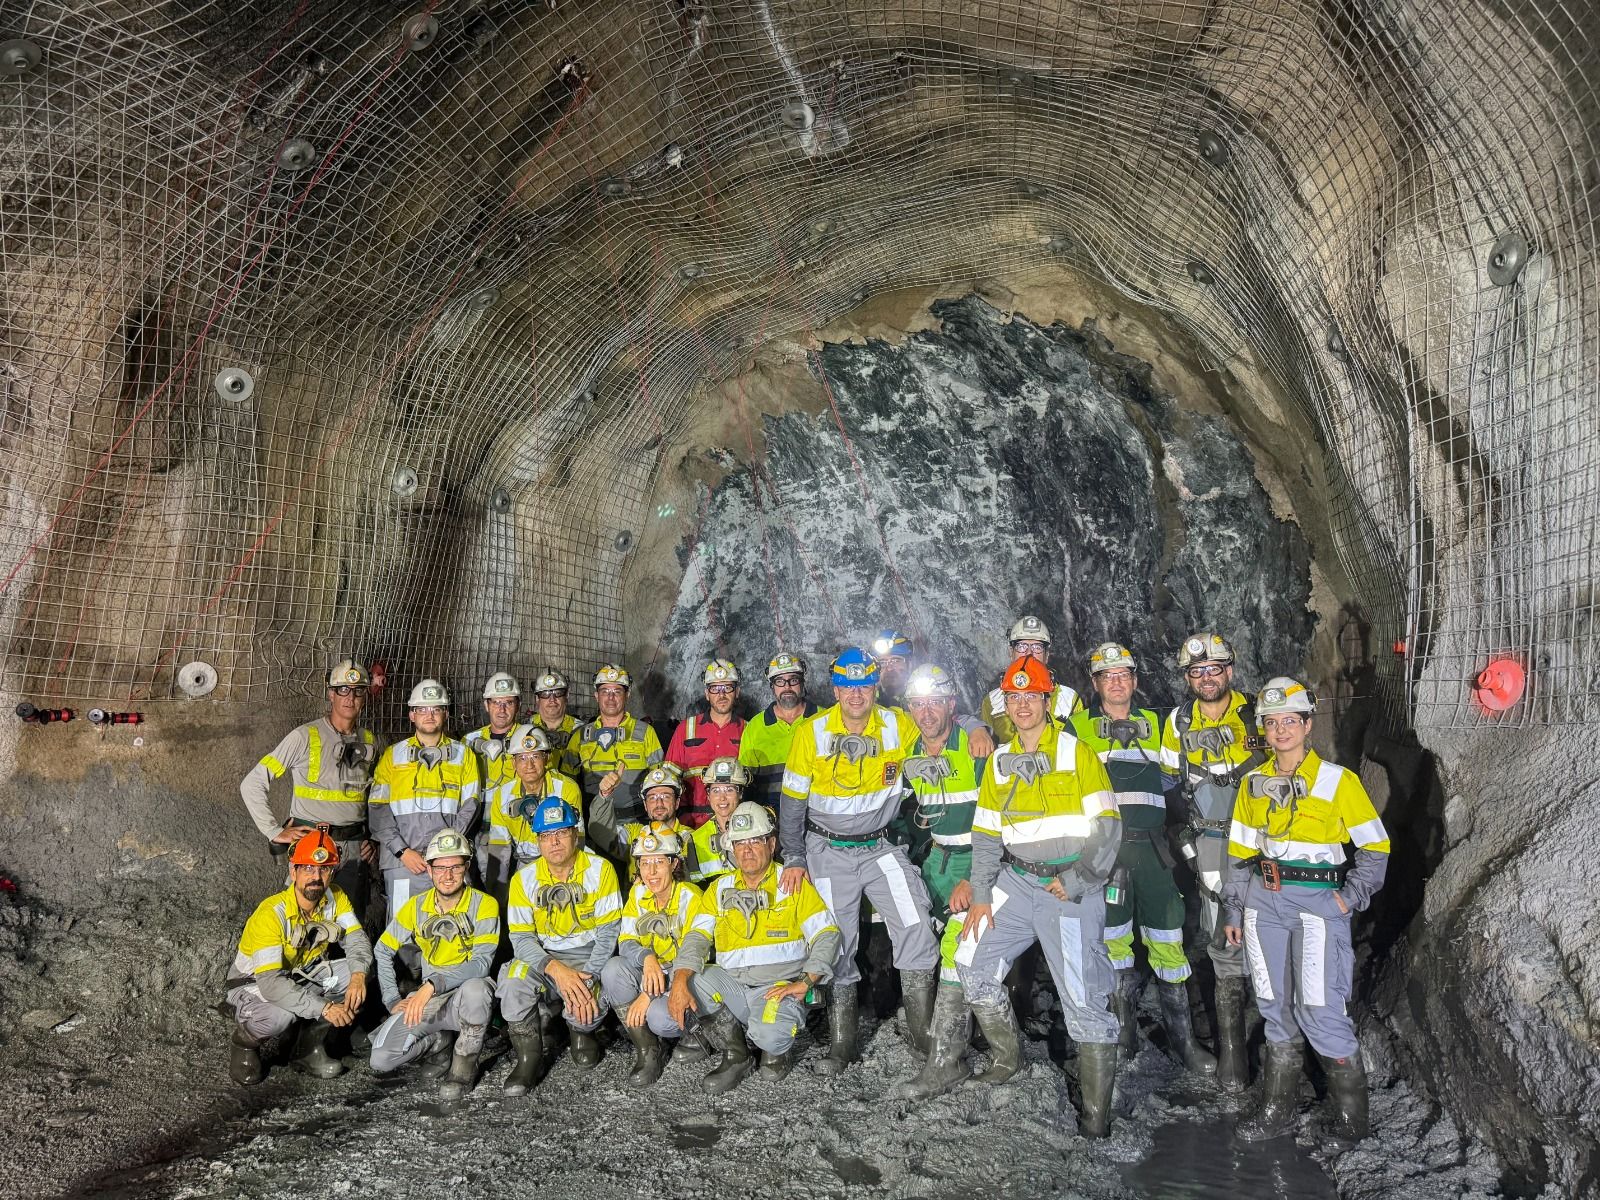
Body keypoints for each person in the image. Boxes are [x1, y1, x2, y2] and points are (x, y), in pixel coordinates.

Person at [955, 656, 1122, 1137]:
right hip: (1016, 881)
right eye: (1015, 698)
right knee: (971, 961)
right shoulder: (999, 762)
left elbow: (1109, 824)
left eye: (1032, 696)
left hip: (1065, 885)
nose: (1023, 705)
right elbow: (986, 834)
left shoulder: (1076, 753)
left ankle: (1095, 1121)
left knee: (1083, 1001)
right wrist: (982, 894)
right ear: (1005, 705)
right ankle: (1009, 1058)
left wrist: (1080, 878)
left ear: (1047, 701)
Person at [1224, 677, 1389, 1145]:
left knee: (1319, 1007)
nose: (1281, 730)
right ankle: (1277, 1110)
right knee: (1274, 1006)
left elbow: (1375, 847)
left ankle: (1352, 1124)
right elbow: (1239, 853)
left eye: (1290, 721)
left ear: (1307, 725)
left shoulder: (1338, 782)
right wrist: (1234, 910)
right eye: (1272, 723)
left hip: (1318, 903)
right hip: (1263, 901)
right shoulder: (1252, 784)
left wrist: (1349, 897)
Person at [779, 647, 940, 1074]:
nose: (856, 695)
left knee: (916, 922)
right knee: (836, 940)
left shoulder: (897, 724)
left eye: (864, 686)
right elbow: (792, 802)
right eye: (847, 687)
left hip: (879, 846)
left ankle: (923, 1034)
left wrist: (976, 728)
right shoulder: (811, 733)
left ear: (875, 687)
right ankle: (843, 1044)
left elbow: (937, 725)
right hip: (827, 849)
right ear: (835, 690)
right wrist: (793, 856)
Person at [1072, 642, 1215, 1074]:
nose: (1116, 682)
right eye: (1107, 676)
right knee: (1112, 941)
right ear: (1096, 683)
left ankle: (1184, 1042)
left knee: (1169, 935)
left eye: (1124, 675)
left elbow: (1176, 779)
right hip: (1106, 851)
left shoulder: (1159, 724)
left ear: (1134, 680)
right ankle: (1124, 1035)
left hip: (1153, 849)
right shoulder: (1075, 728)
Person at [668, 802, 841, 1092]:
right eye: (740, 843)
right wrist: (679, 979)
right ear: (731, 849)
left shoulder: (791, 883)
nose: (747, 850)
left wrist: (806, 980)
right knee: (693, 979)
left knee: (770, 1038)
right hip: (734, 986)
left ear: (771, 844)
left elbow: (827, 934)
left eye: (755, 841)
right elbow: (696, 938)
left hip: (776, 989)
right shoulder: (719, 889)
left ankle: (773, 1047)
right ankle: (737, 1055)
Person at [1160, 631, 1268, 1090]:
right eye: (1197, 671)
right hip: (1209, 841)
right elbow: (1169, 782)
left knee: (1270, 930)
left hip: (1259, 840)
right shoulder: (1178, 722)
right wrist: (1182, 835)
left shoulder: (1256, 713)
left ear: (1230, 670)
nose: (1207, 678)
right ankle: (1233, 1054)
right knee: (1223, 938)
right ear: (1188, 678)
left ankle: (1277, 1040)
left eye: (1215, 669)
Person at [896, 664, 986, 1100]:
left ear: (951, 704)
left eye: (935, 702)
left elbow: (1000, 819)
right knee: (919, 938)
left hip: (975, 856)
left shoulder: (974, 745)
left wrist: (974, 878)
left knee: (957, 949)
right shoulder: (910, 749)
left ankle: (946, 1061)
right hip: (937, 857)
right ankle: (934, 1039)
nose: (927, 712)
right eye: (918, 704)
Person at [495, 798, 622, 1094]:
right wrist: (555, 969)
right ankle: (529, 1058)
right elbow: (521, 939)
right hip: (545, 959)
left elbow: (609, 933)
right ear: (537, 840)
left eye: (561, 832)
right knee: (513, 981)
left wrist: (588, 978)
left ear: (575, 833)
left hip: (589, 958)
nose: (554, 842)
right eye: (546, 835)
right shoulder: (523, 879)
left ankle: (581, 1033)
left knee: (585, 1004)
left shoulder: (600, 870)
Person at [225, 827, 371, 1085]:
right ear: (293, 872)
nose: (316, 877)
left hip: (303, 974)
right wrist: (325, 1008)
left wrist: (359, 976)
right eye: (308, 869)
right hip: (254, 984)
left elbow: (356, 939)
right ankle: (244, 1043)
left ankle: (306, 1048)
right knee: (280, 1015)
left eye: (324, 870)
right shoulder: (272, 913)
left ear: (332, 872)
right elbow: (271, 983)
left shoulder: (335, 896)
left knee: (359, 973)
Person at [369, 830, 499, 1101]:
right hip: (433, 999)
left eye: (455, 867)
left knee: (477, 989)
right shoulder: (416, 906)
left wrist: (431, 985)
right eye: (440, 868)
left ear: (466, 867)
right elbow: (382, 950)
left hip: (463, 997)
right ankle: (439, 1043)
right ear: (429, 870)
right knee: (381, 1058)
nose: (447, 875)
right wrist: (392, 999)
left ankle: (463, 1068)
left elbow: (481, 964)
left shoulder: (484, 904)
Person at [239, 659, 379, 906]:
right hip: (312, 847)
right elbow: (252, 783)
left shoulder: (370, 741)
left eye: (358, 691)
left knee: (350, 920)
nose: (350, 697)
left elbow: (376, 798)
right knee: (305, 918)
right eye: (343, 690)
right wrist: (274, 831)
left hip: (354, 851)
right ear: (331, 694)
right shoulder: (304, 736)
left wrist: (373, 839)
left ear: (365, 696)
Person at [369, 679, 482, 925]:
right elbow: (377, 808)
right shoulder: (392, 756)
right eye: (422, 709)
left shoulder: (464, 755)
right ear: (412, 715)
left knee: (454, 925)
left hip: (448, 863)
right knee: (402, 928)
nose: (429, 715)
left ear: (446, 714)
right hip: (403, 863)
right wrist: (402, 851)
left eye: (436, 709)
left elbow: (471, 805)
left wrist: (446, 851)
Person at [599, 829, 703, 1087]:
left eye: (659, 861)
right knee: (613, 969)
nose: (652, 871)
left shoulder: (691, 897)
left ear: (674, 863)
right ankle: (648, 1049)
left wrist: (647, 995)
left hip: (683, 978)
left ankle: (697, 1033)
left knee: (659, 1017)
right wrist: (647, 958)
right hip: (653, 971)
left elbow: (691, 959)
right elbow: (626, 941)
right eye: (645, 863)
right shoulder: (637, 895)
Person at [566, 664, 663, 857]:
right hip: (594, 825)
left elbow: (659, 781)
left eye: (617, 691)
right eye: (605, 691)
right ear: (596, 695)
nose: (610, 698)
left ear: (627, 695)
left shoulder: (646, 733)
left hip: (637, 824)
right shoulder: (580, 736)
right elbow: (567, 785)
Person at [487, 725, 585, 872]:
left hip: (561, 862)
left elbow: (578, 839)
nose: (529, 765)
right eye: (522, 758)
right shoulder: (502, 795)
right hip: (523, 865)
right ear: (513, 763)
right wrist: (497, 885)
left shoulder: (566, 789)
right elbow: (498, 847)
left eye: (535, 757)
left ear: (546, 758)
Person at [666, 659, 746, 828]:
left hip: (735, 823)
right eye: (715, 688)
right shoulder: (685, 729)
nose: (721, 695)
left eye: (727, 687)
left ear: (737, 692)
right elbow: (668, 779)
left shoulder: (748, 730)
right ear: (707, 693)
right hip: (691, 824)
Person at [464, 671, 523, 885]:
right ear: (486, 705)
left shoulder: (529, 738)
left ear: (518, 705)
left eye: (508, 702)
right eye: (496, 702)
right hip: (482, 832)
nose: (502, 709)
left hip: (520, 827)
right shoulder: (469, 742)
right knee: (489, 887)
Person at [985, 615, 1084, 742]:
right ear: (1011, 652)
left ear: (1046, 655)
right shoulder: (992, 702)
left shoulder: (1069, 699)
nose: (1029, 653)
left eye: (1037, 647)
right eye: (1022, 646)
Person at [738, 652, 817, 810]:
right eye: (780, 681)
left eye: (793, 680)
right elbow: (745, 782)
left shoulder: (823, 720)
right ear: (772, 686)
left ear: (802, 682)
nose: (787, 687)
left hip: (816, 814)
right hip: (770, 816)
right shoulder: (755, 727)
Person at [616, 763, 693, 883]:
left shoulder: (690, 838)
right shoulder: (634, 833)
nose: (659, 803)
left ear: (677, 802)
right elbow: (600, 833)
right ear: (645, 805)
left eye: (666, 797)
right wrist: (604, 796)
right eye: (652, 797)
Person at [688, 757, 748, 884]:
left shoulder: (757, 829)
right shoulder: (696, 840)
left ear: (740, 793)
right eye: (716, 791)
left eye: (729, 790)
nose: (722, 798)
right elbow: (696, 888)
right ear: (708, 796)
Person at [529, 668, 582, 778]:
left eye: (558, 693)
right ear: (537, 699)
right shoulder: (525, 728)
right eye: (545, 694)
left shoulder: (582, 731)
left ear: (566, 696)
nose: (552, 699)